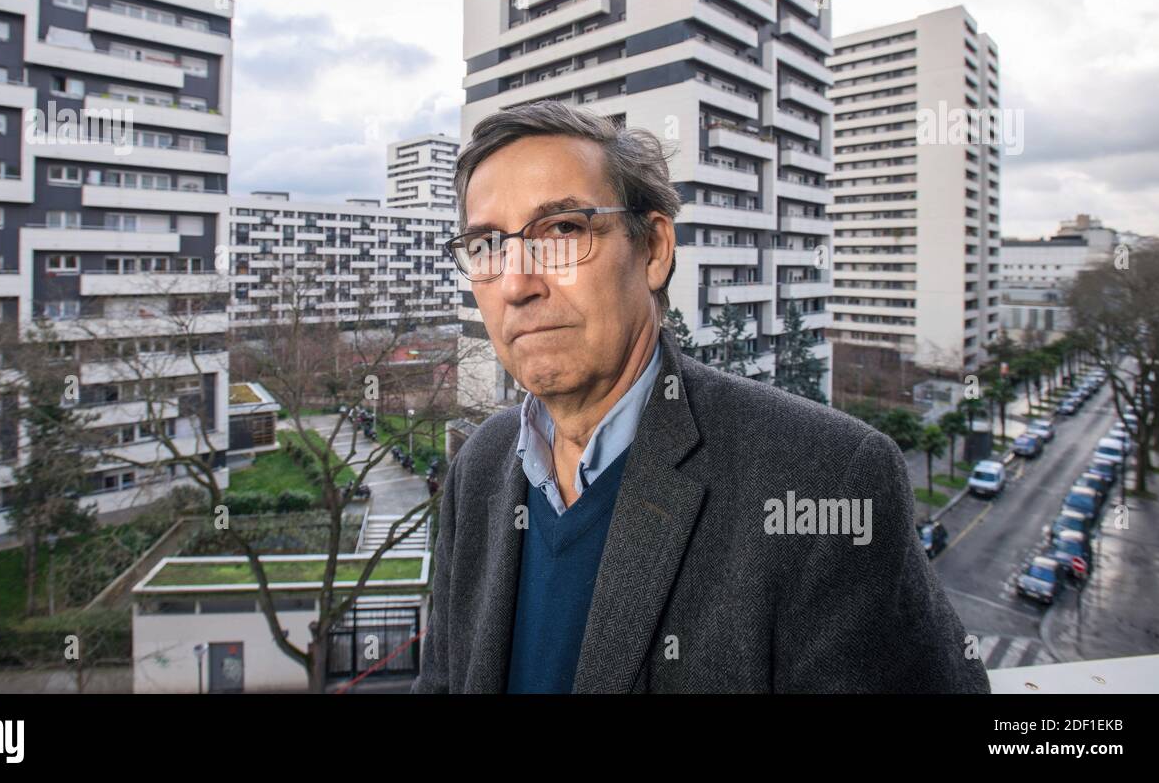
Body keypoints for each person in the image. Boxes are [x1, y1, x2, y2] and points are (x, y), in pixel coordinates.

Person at [412, 101, 989, 693]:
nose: (516, 283)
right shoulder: (481, 465)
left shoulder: (825, 479)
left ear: (655, 249)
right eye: (487, 245)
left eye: (562, 230)